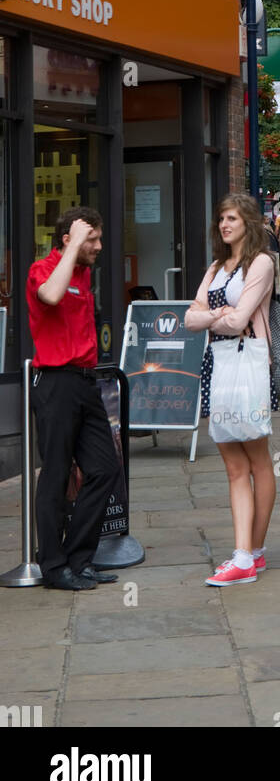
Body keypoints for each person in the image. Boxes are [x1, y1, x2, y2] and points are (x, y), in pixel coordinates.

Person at [185, 193, 278, 586]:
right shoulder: (215, 267)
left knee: (257, 456)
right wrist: (215, 317)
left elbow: (240, 317)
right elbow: (189, 319)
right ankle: (245, 554)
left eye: (233, 219)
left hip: (250, 362)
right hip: (220, 366)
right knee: (233, 463)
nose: (225, 225)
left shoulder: (262, 263)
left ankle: (251, 551)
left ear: (249, 224)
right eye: (222, 218)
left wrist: (214, 316)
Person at [26, 208, 119, 591]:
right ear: (69, 240)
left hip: (85, 383)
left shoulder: (82, 273)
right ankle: (52, 566)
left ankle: (79, 558)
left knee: (104, 468)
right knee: (56, 473)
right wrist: (74, 245)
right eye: (91, 239)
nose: (98, 246)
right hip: (56, 383)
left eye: (97, 239)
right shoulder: (43, 269)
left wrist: (78, 249)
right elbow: (49, 295)